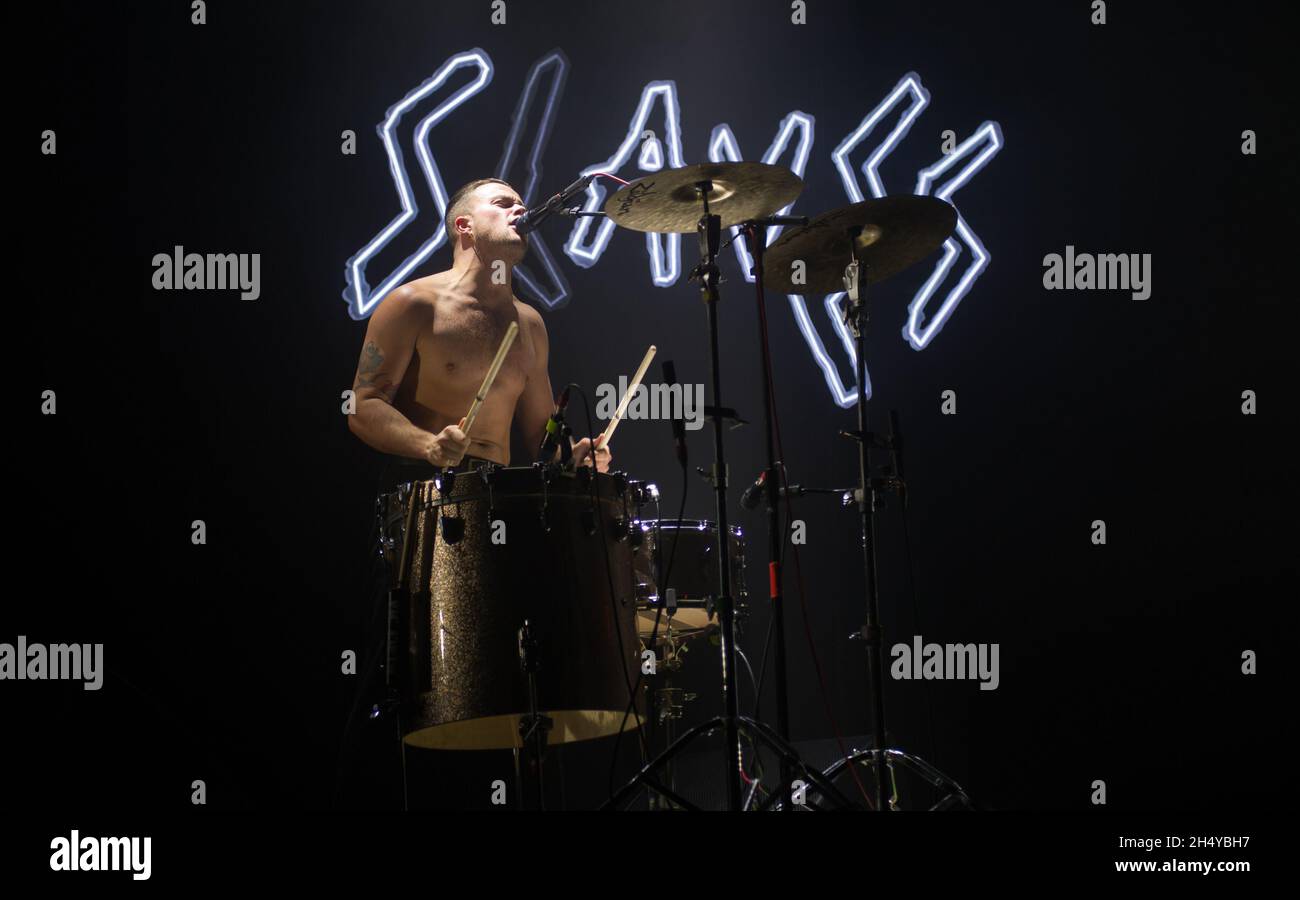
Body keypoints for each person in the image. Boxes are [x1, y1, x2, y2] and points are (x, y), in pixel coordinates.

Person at [347, 177, 611, 472]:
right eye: (503, 204)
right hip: (427, 487)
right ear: (464, 226)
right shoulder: (413, 303)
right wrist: (428, 445)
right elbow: (363, 404)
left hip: (498, 494)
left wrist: (572, 456)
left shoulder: (530, 323)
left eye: (521, 205)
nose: (519, 210)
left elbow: (542, 436)